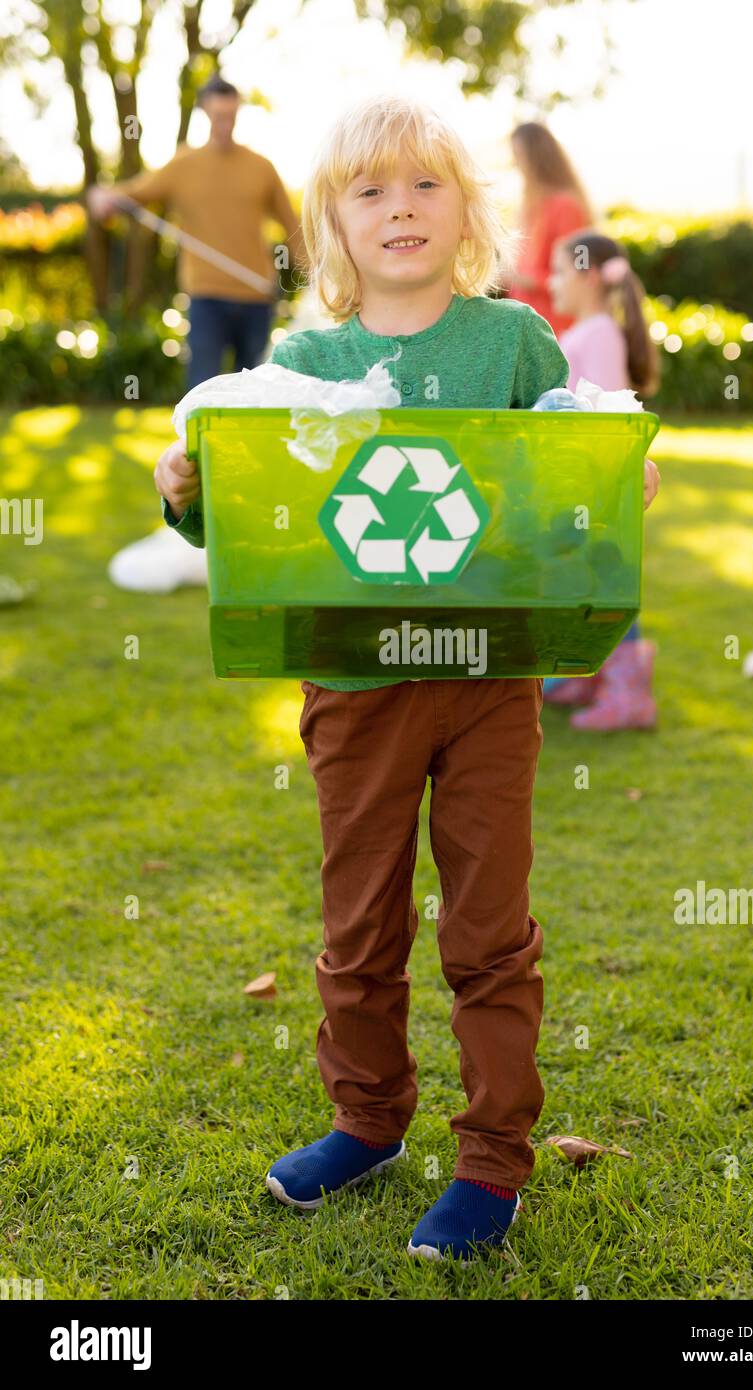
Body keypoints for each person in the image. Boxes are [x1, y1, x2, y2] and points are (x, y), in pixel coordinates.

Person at [153, 94, 659, 1262]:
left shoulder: (514, 342)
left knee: (488, 926)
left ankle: (492, 1160)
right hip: (355, 682)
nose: (400, 209)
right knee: (359, 917)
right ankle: (368, 1119)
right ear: (331, 221)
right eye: (370, 190)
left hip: (490, 681)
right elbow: (257, 511)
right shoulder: (305, 361)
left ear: (465, 208)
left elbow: (568, 479)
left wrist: (612, 476)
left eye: (426, 184)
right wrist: (189, 495)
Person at [87, 74, 306, 593]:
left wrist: (323, 275)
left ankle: (258, 508)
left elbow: (293, 226)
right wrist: (106, 196)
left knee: (261, 408)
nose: (224, 120)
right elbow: (135, 193)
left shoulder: (261, 167)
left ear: (238, 110)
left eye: (232, 112)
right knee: (202, 402)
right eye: (217, 112)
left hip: (256, 300)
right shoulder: (185, 164)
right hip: (206, 300)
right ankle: (201, 512)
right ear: (207, 110)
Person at [543, 229, 661, 730]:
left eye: (560, 271)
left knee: (605, 577)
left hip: (598, 482)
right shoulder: (588, 331)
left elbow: (609, 411)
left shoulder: (600, 335)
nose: (551, 283)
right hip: (578, 481)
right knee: (582, 578)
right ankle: (591, 675)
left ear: (589, 276)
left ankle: (630, 692)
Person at [502, 121, 593, 337]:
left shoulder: (566, 206)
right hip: (527, 324)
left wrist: (525, 279)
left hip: (554, 328)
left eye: (519, 155)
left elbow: (582, 269)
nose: (515, 164)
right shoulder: (530, 207)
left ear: (536, 159)